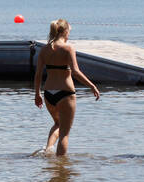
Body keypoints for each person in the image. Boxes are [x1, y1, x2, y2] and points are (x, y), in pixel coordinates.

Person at [33, 19, 101, 156]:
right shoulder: (68, 48)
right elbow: (75, 72)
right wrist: (92, 85)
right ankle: (61, 168)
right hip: (65, 93)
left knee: (57, 124)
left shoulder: (44, 50)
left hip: (48, 93)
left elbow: (38, 74)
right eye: (69, 31)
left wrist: (37, 94)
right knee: (65, 133)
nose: (69, 34)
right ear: (65, 32)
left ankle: (47, 151)